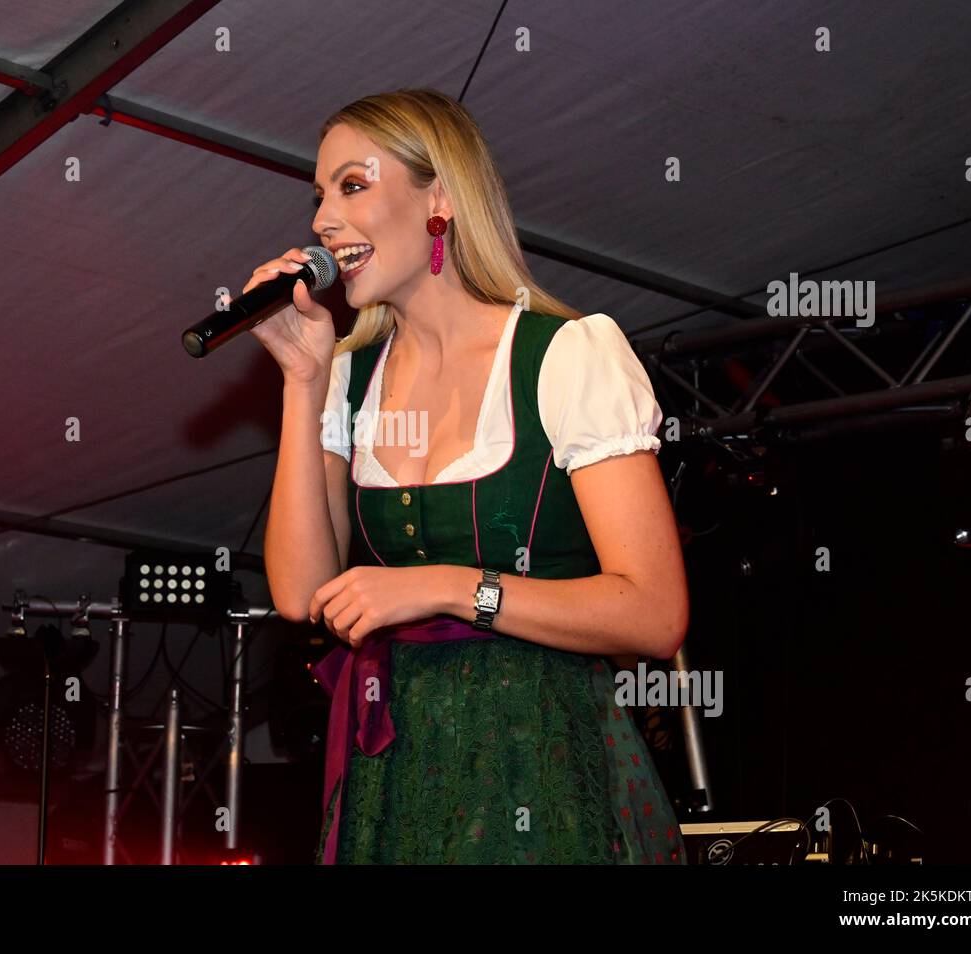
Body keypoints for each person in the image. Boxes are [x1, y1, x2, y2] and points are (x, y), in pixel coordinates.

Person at [247, 88, 689, 864]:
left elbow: (654, 614)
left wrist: (449, 585)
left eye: (352, 185)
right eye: (318, 195)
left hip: (543, 766)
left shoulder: (565, 355)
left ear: (440, 199)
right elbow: (297, 592)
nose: (321, 219)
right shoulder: (345, 377)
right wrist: (301, 379)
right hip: (394, 776)